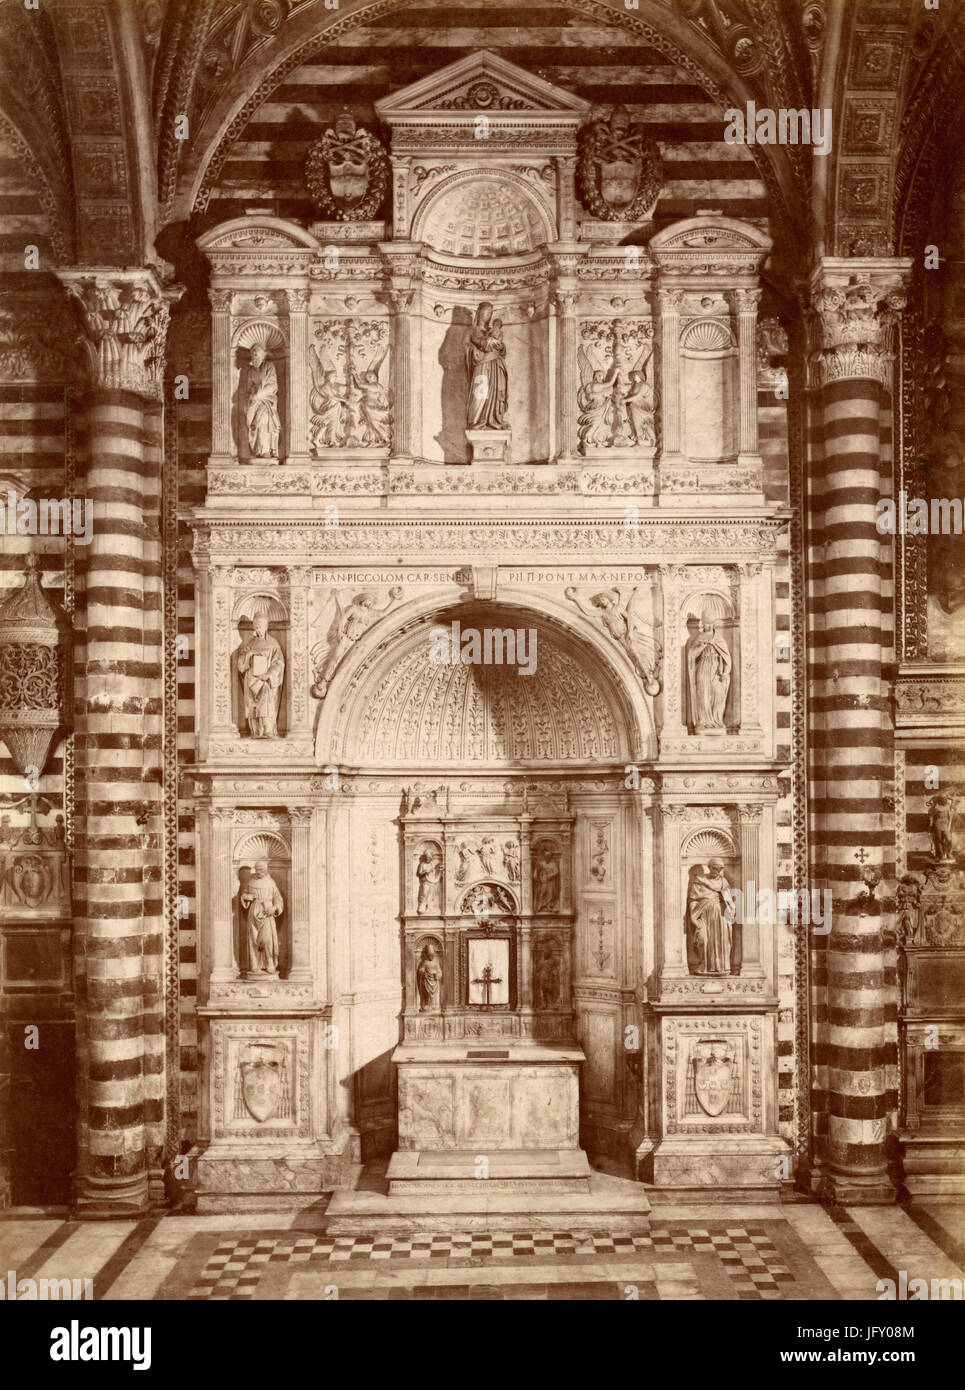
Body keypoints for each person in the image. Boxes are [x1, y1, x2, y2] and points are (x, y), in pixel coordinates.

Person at [237, 612, 284, 738]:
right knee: (252, 705)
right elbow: (241, 664)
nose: (258, 628)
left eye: (260, 625)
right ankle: (257, 730)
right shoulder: (250, 644)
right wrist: (249, 654)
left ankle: (267, 729)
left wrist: (269, 674)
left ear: (266, 626)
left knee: (266, 702)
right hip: (251, 680)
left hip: (265, 681)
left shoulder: (273, 644)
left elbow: (279, 662)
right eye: (256, 626)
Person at [466, 301, 508, 430]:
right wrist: (474, 349)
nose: (488, 315)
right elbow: (467, 346)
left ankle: (494, 418)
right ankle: (477, 420)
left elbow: (501, 349)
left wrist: (498, 346)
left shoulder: (494, 331)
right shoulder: (472, 331)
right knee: (480, 394)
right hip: (481, 366)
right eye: (486, 311)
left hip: (495, 365)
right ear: (479, 313)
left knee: (495, 394)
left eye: (490, 313)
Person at [686, 858, 732, 975]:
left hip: (720, 917)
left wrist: (731, 908)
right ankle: (703, 965)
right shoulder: (700, 881)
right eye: (714, 867)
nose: (716, 870)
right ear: (709, 867)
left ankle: (722, 967)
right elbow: (693, 900)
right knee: (702, 939)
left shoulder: (723, 882)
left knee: (721, 940)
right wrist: (693, 917)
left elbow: (730, 901)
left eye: (719, 868)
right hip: (703, 916)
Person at [241, 859, 283, 976]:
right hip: (254, 911)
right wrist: (246, 897)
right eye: (257, 870)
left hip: (267, 912)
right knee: (253, 938)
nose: (258, 872)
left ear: (265, 870)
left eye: (260, 870)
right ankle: (255, 963)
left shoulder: (271, 883)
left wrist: (274, 908)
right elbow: (244, 894)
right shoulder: (251, 882)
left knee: (267, 939)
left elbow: (278, 899)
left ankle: (269, 962)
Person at [245, 344, 280, 458]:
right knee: (254, 424)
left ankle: (266, 450)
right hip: (255, 403)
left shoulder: (269, 366)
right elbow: (249, 387)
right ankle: (257, 451)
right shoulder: (250, 370)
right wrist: (253, 395)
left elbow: (272, 384)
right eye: (253, 352)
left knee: (264, 422)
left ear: (263, 354)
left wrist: (259, 394)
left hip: (266, 402)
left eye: (257, 351)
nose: (255, 353)